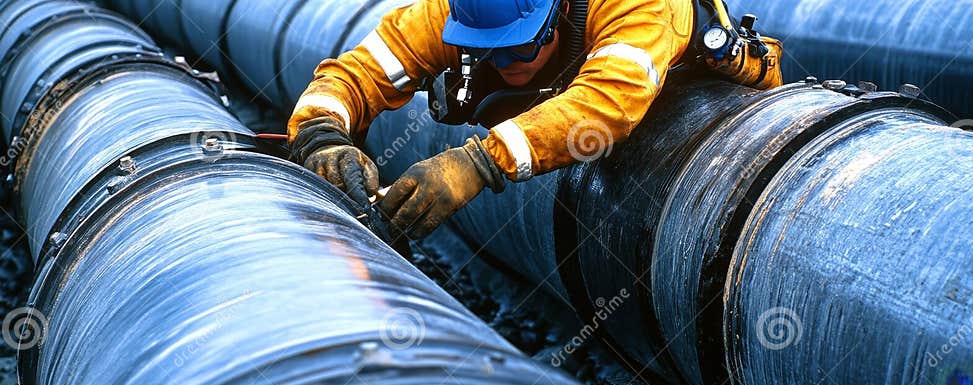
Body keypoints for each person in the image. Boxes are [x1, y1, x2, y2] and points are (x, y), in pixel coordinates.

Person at [288, 0, 782, 239]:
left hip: (710, 100)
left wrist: (480, 164)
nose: (504, 65)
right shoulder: (463, 10)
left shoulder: (640, 6)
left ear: (559, 12)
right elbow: (357, 72)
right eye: (487, 52)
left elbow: (607, 102)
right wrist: (320, 134)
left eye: (518, 47)